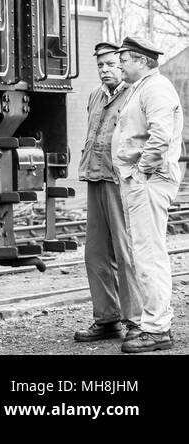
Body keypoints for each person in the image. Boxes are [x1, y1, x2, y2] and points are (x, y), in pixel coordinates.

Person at [112, 35, 184, 353]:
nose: (120, 64)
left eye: (124, 58)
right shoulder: (142, 88)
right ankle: (152, 322)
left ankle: (157, 329)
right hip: (143, 180)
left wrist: (141, 172)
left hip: (150, 181)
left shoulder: (155, 88)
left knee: (149, 254)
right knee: (145, 252)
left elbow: (161, 136)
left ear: (142, 60)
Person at [74, 42, 139, 342]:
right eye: (100, 65)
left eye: (111, 64)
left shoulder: (135, 95)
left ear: (122, 65)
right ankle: (107, 318)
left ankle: (135, 321)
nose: (105, 70)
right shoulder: (94, 96)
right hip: (95, 177)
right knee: (95, 254)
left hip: (120, 182)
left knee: (126, 253)